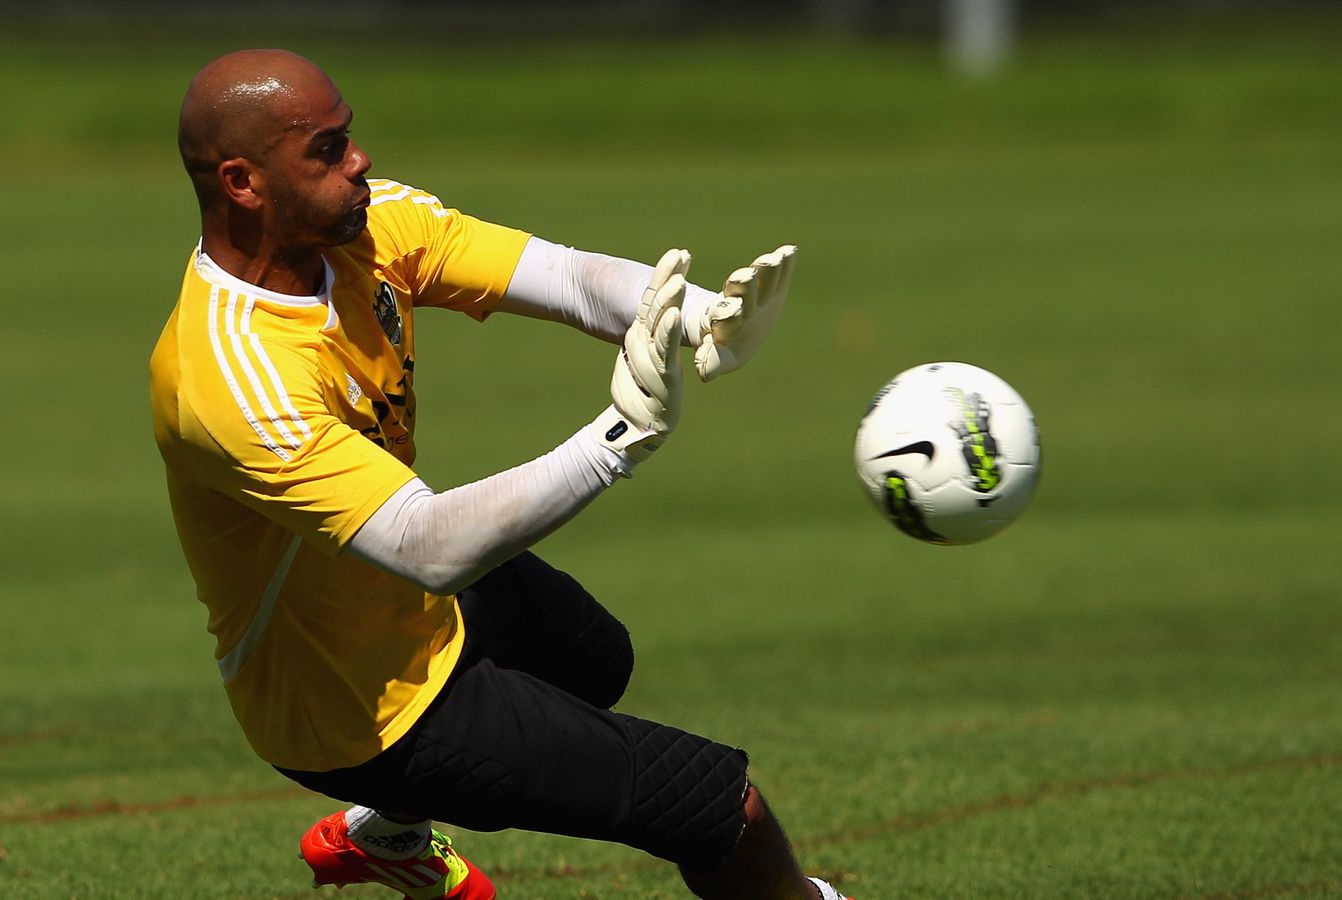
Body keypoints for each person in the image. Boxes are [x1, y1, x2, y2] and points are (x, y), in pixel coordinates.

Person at [149, 49, 851, 900]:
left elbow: (557, 275)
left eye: (351, 135)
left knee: (592, 656)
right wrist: (616, 439)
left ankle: (387, 835)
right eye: (326, 150)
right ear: (243, 182)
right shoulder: (229, 377)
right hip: (353, 711)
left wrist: (702, 314)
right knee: (718, 809)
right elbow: (427, 545)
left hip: (403, 606)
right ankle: (393, 795)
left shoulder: (368, 227)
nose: (360, 160)